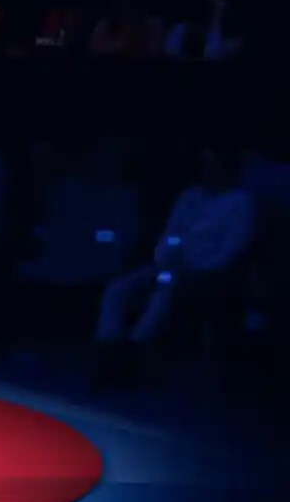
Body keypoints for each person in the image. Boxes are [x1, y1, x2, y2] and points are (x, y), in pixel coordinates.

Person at [92, 143, 254, 384]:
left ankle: (133, 352)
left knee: (164, 292)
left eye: (214, 164)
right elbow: (170, 233)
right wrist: (164, 259)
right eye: (205, 163)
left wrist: (196, 272)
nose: (207, 169)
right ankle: (109, 347)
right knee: (118, 289)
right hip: (168, 267)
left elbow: (231, 250)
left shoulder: (242, 203)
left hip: (206, 275)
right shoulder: (190, 196)